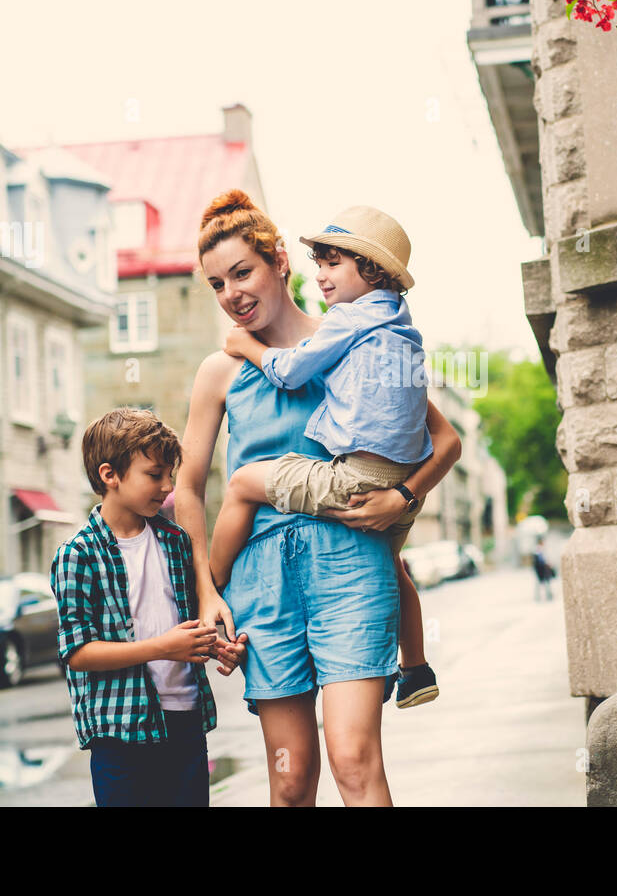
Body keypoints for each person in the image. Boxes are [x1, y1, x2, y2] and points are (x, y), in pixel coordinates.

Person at [173, 190, 461, 806]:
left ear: (280, 262)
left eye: (242, 273)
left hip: (350, 568)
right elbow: (189, 489)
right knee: (291, 776)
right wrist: (206, 590)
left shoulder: (349, 337)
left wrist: (404, 497)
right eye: (216, 284)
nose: (232, 295)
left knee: (355, 762)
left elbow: (443, 439)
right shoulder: (217, 372)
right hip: (263, 584)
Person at [208, 203, 439, 709]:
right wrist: (404, 495)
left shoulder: (342, 330)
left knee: (244, 482)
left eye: (333, 264)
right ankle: (417, 666)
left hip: (358, 491)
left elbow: (290, 373)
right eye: (217, 284)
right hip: (393, 484)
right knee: (394, 569)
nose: (323, 276)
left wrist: (246, 347)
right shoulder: (397, 326)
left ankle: (214, 579)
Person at [49, 407, 245, 807]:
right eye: (155, 475)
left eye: (170, 476)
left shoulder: (176, 541)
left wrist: (216, 646)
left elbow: (186, 628)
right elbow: (78, 653)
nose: (167, 487)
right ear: (110, 475)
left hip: (185, 722)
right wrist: (164, 647)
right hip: (119, 732)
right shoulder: (78, 555)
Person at [532, 537, 555, 602]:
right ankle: (547, 595)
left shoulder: (538, 550)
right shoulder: (539, 550)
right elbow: (541, 561)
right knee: (544, 582)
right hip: (542, 569)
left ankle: (544, 596)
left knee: (541, 583)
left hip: (541, 569)